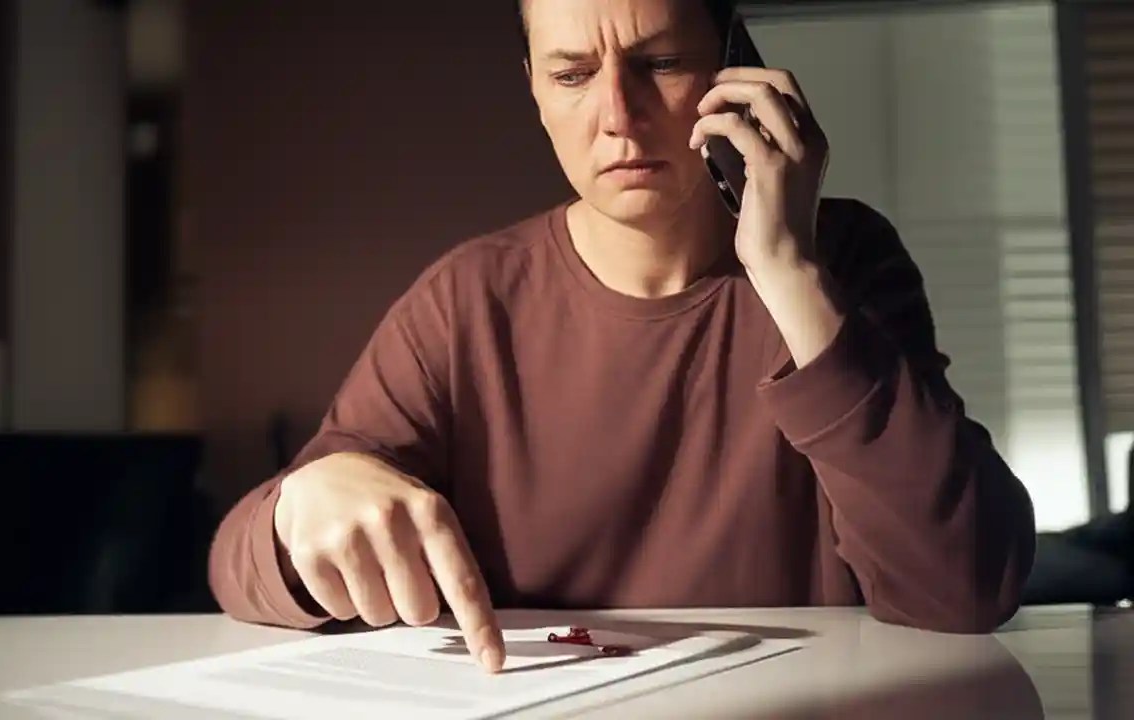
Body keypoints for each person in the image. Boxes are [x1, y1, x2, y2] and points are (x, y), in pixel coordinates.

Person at [208, 0, 1037, 674]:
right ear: (534, 88)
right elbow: (238, 566)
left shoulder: (843, 259)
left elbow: (965, 584)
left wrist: (788, 270)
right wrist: (299, 510)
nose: (618, 117)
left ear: (732, 68)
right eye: (572, 74)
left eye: (661, 64)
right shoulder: (468, 299)